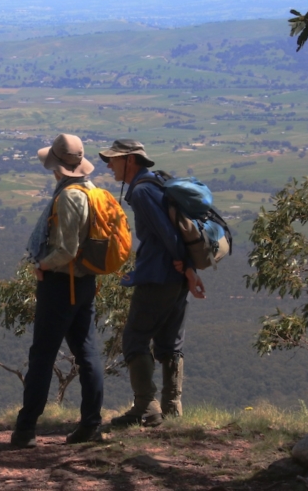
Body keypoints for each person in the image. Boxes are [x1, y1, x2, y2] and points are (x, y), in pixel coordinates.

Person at [98, 139, 205, 427]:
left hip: (158, 275)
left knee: (135, 338)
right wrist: (188, 268)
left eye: (113, 159)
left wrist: (186, 265)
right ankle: (171, 409)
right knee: (169, 341)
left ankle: (146, 406)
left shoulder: (143, 191)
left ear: (130, 160)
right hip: (175, 276)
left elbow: (167, 233)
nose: (109, 165)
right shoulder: (155, 182)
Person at [11, 133, 104, 448]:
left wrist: (42, 265)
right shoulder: (91, 190)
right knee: (88, 353)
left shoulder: (68, 197)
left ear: (57, 166)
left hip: (61, 285)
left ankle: (26, 428)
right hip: (86, 283)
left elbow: (65, 250)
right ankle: (91, 424)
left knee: (42, 356)